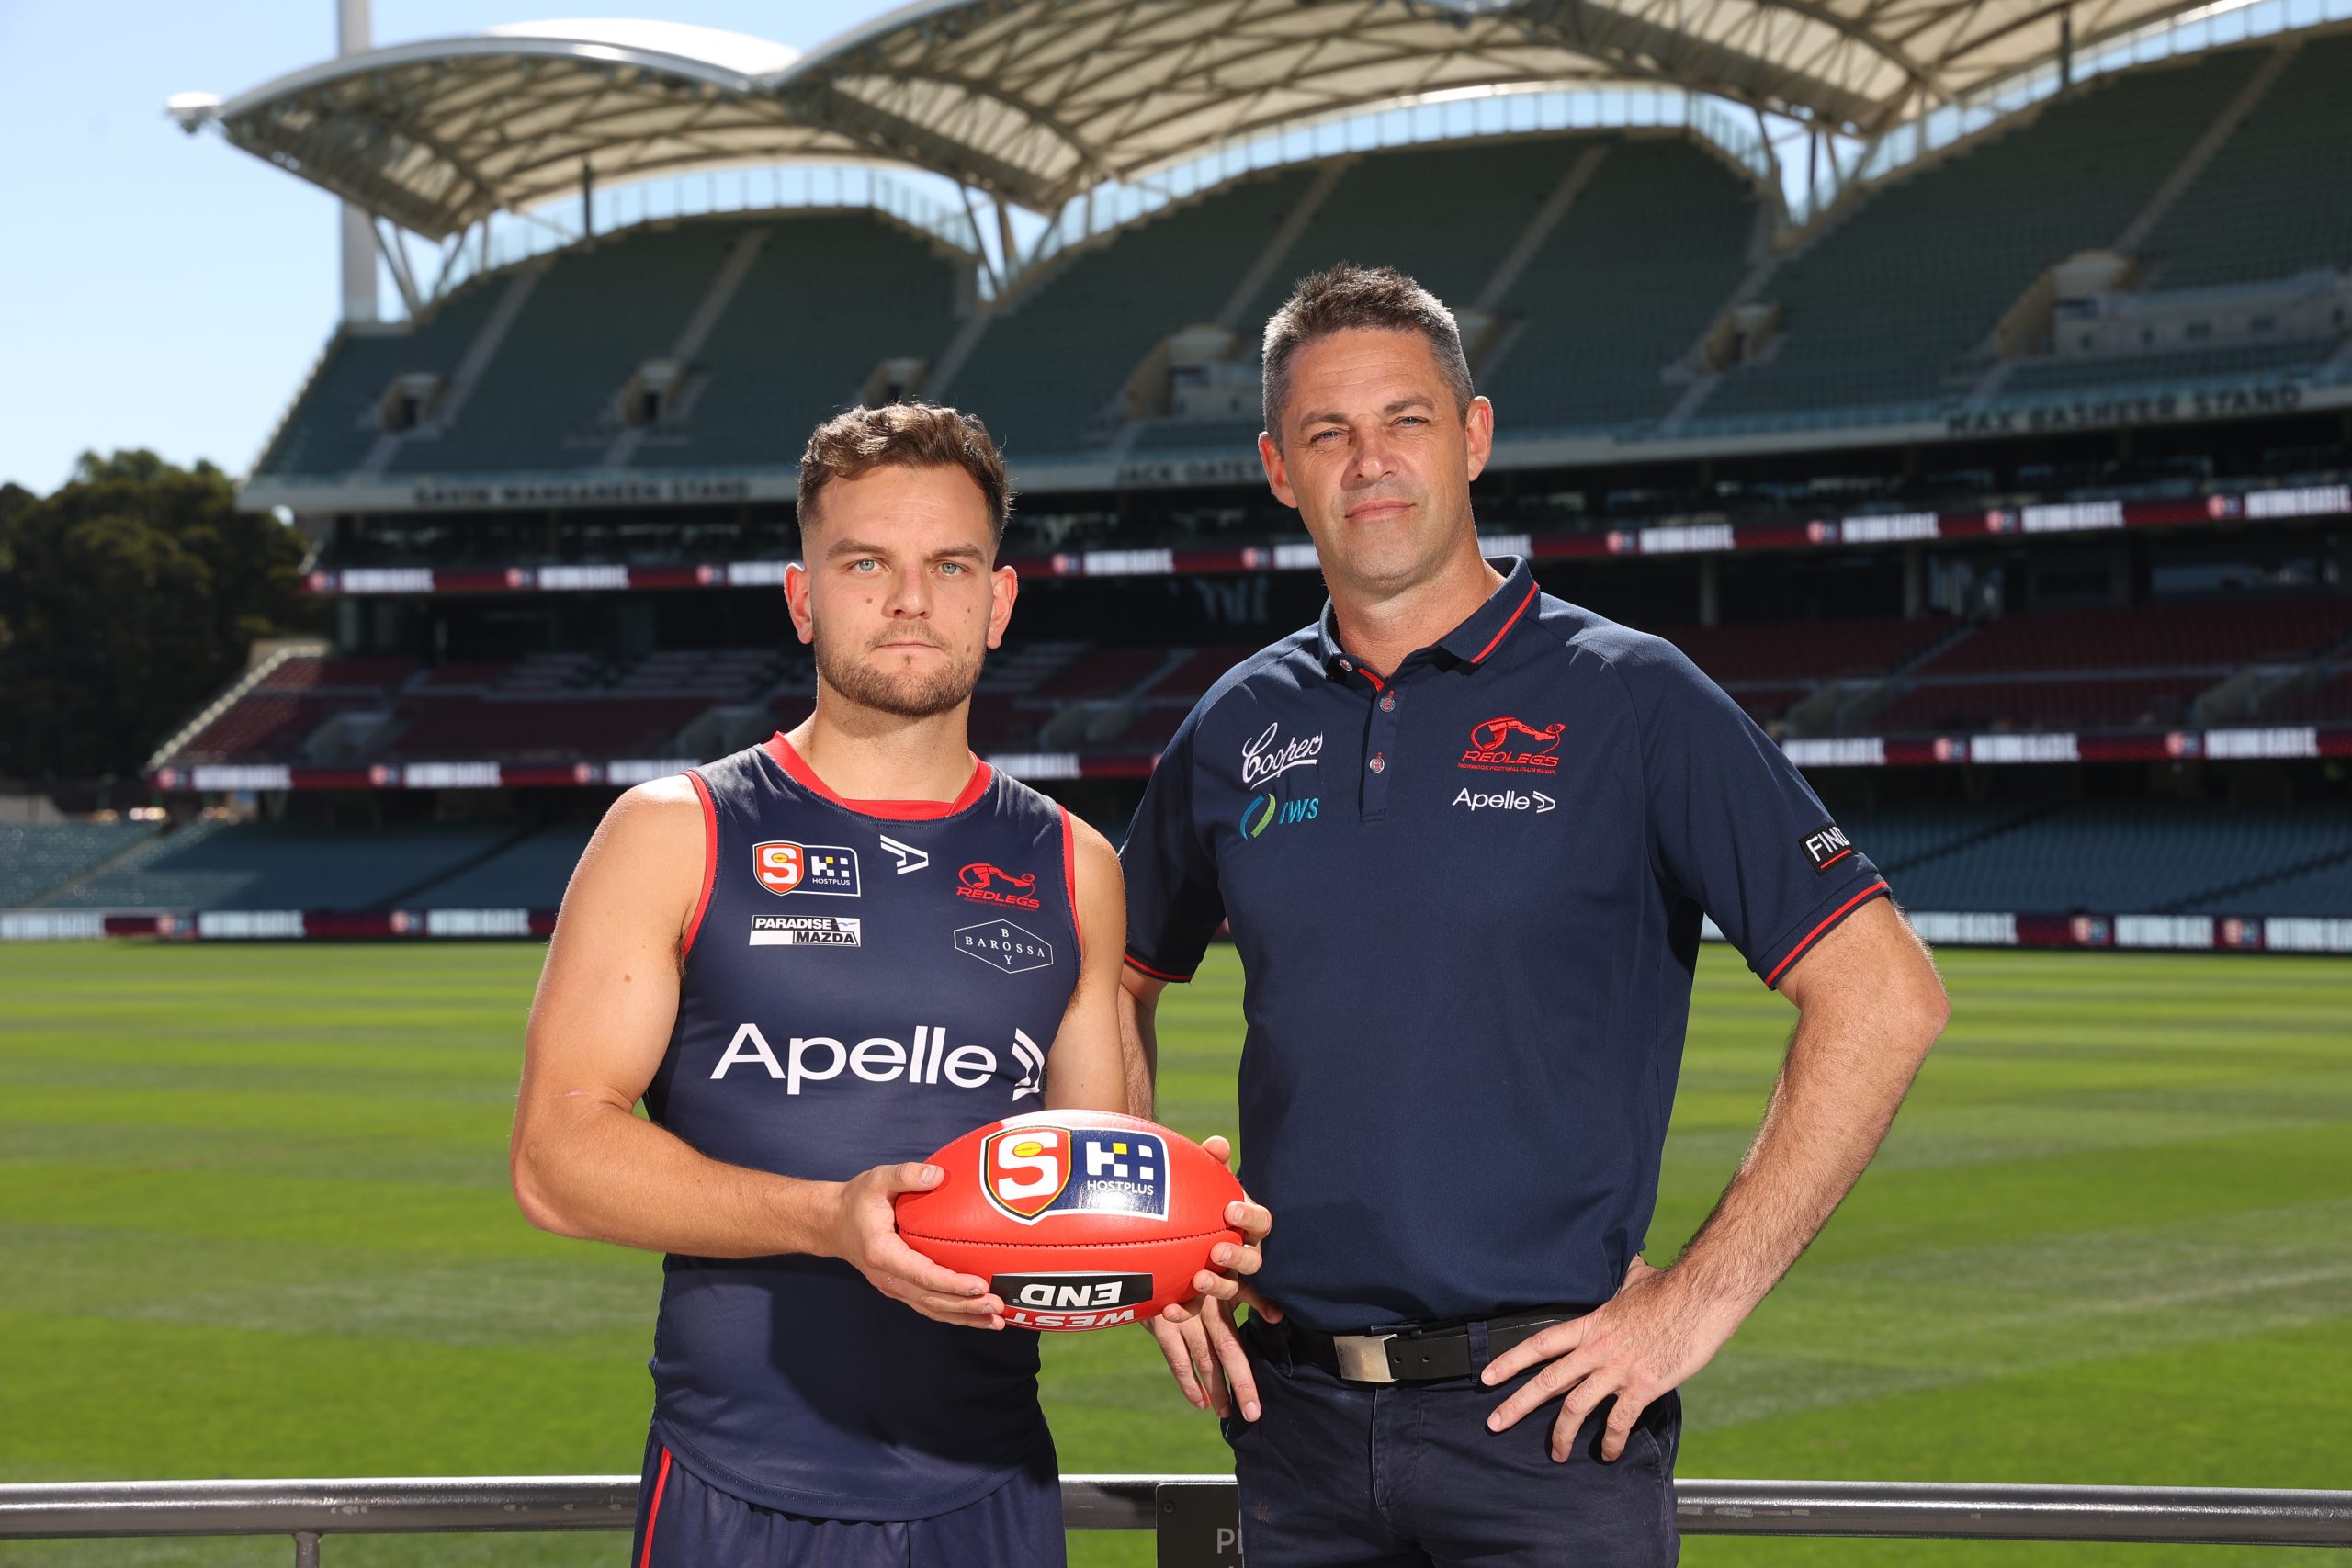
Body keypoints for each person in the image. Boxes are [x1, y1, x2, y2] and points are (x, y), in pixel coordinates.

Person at [1124, 266, 1951, 1567]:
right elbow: (1117, 976)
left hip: (1548, 1430)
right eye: (1328, 434)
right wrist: (1150, 1242)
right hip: (1288, 1422)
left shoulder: (1634, 696)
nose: (1370, 462)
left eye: (1405, 419)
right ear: (1279, 467)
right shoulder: (1236, 720)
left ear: (1475, 436)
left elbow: (1887, 988)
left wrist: (1694, 1301)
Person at [508, 402, 1136, 1567]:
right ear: (804, 597)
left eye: (950, 565)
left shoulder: (1075, 864)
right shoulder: (674, 830)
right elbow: (555, 1157)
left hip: (991, 1484)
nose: (910, 600)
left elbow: (1096, 1176)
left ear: (996, 603)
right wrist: (826, 1221)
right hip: (735, 1488)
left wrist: (1182, 1239)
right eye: (865, 564)